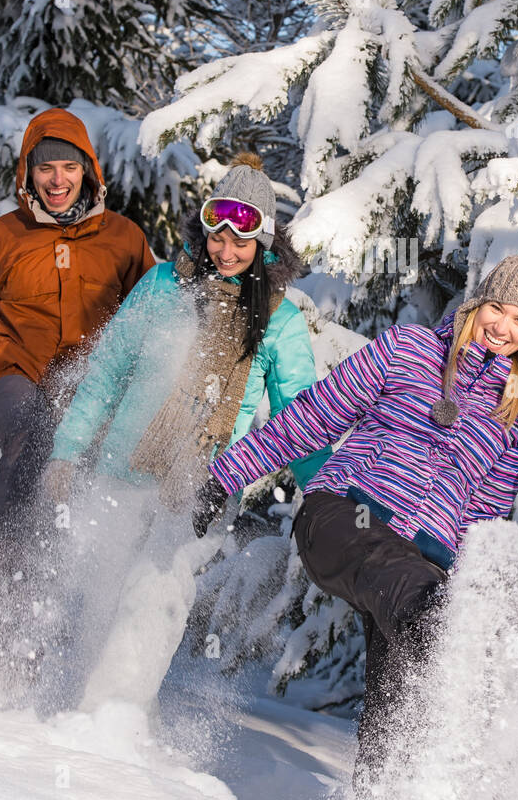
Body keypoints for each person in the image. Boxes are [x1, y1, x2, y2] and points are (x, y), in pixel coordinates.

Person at [192, 241, 518, 792]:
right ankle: (437, 625)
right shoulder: (408, 350)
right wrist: (226, 476)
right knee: (412, 594)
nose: (503, 327)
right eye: (496, 309)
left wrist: (470, 589)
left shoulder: (517, 416)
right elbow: (313, 418)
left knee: (400, 710)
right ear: (475, 304)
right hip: (346, 517)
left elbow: (485, 518)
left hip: (422, 569)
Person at [45, 152, 331, 710]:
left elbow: (301, 418)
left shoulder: (280, 321)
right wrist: (67, 449)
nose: (225, 251)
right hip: (120, 468)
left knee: (157, 591)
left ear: (264, 245)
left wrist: (324, 491)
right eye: (216, 237)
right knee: (99, 592)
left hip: (200, 486)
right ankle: (71, 699)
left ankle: (114, 717)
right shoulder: (161, 286)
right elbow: (107, 372)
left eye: (240, 242)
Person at [0, 108, 155, 609]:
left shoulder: (122, 239)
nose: (58, 180)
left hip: (88, 389)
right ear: (28, 173)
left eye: (69, 168)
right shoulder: (4, 237)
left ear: (88, 172)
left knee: (100, 472)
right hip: (10, 375)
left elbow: (154, 323)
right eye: (46, 168)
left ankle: (70, 615)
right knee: (36, 435)